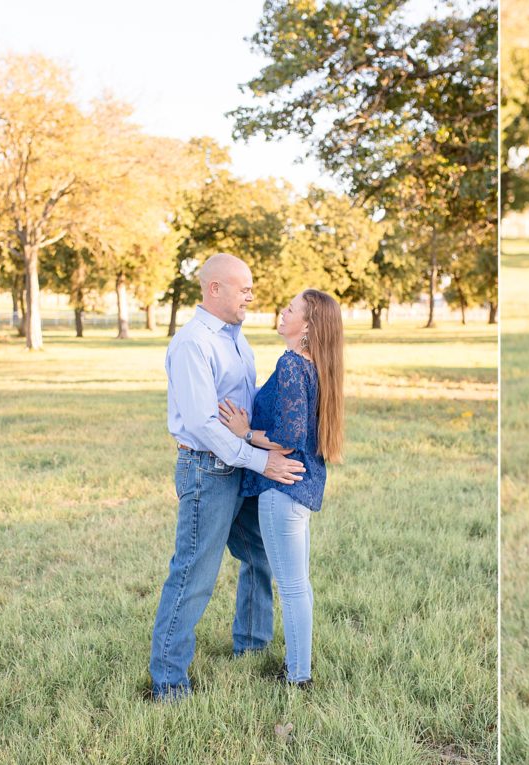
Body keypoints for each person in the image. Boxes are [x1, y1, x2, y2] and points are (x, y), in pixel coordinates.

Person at [150, 253, 306, 701]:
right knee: (194, 573)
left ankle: (253, 648)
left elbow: (245, 406)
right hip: (208, 470)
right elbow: (203, 424)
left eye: (251, 288)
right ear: (214, 289)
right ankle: (168, 681)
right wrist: (261, 460)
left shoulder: (238, 339)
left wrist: (270, 439)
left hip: (240, 466)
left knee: (258, 555)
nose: (251, 296)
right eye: (244, 288)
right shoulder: (192, 343)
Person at [219, 289, 345, 688]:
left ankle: (298, 676)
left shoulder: (292, 364)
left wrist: (245, 433)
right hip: (299, 487)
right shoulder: (314, 365)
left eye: (291, 309)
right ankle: (299, 669)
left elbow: (287, 437)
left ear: (307, 326)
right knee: (298, 584)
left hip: (281, 487)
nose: (282, 311)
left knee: (292, 587)